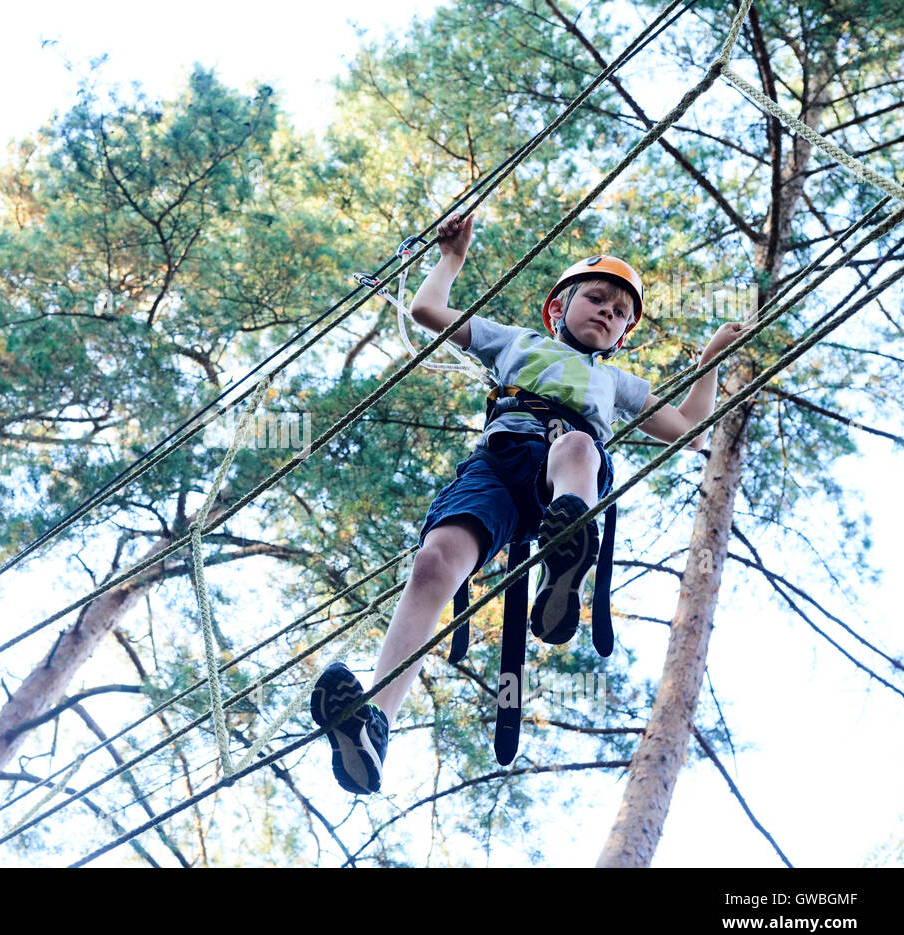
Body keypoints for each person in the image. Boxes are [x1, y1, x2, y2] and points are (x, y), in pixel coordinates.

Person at [310, 212, 748, 795]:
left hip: (564, 464)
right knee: (434, 563)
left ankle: (565, 546)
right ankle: (375, 723)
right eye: (596, 299)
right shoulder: (517, 341)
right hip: (497, 460)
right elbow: (427, 313)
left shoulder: (616, 382)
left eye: (619, 315)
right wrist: (452, 259)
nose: (607, 314)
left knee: (576, 444)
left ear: (622, 337)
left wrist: (709, 360)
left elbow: (693, 428)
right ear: (557, 308)